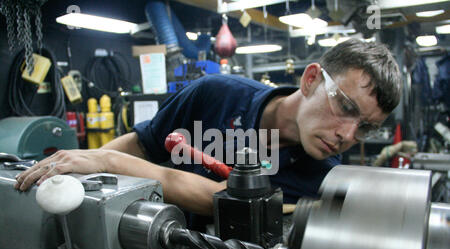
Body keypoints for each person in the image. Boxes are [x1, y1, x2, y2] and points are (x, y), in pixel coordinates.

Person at [14, 39, 402, 231]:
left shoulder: (321, 173)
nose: (348, 134)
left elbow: (219, 200)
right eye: (346, 107)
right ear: (312, 78)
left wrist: (107, 160)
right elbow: (140, 144)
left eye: (366, 126)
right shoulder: (217, 93)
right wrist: (86, 177)